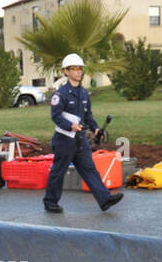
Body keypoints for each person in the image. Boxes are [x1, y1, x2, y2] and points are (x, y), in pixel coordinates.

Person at [42, 53, 123, 214]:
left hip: (80, 140)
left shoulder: (84, 93)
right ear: (66, 71)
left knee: (89, 169)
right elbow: (56, 116)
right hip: (64, 140)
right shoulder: (60, 95)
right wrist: (70, 126)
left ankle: (104, 199)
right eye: (75, 69)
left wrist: (95, 127)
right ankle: (50, 202)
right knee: (58, 171)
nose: (79, 72)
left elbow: (88, 115)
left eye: (80, 69)